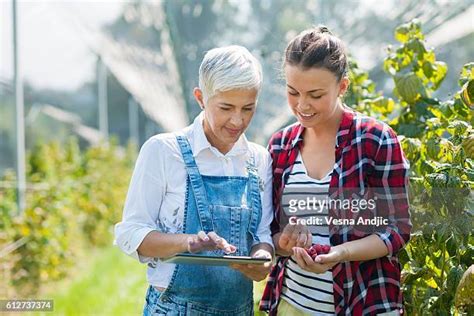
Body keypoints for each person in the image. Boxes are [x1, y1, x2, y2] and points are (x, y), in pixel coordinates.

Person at [259, 26, 411, 315]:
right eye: (293, 92)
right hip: (294, 304)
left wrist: (340, 253)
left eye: (315, 95)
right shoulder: (279, 146)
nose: (302, 105)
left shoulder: (375, 140)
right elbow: (270, 234)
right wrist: (285, 242)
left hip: (364, 302)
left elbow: (397, 230)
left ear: (342, 87)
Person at [114, 45, 274, 315]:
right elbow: (131, 233)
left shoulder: (258, 159)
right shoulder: (164, 151)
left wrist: (262, 259)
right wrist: (187, 242)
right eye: (226, 107)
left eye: (248, 108)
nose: (238, 120)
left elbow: (262, 234)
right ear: (200, 98)